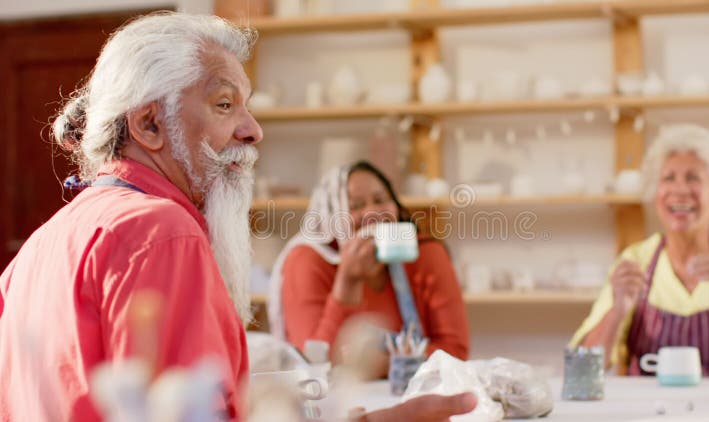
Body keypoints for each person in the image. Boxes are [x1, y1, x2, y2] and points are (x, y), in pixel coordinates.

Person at [0, 12, 476, 420]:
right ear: (148, 124)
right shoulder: (161, 232)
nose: (253, 131)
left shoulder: (37, 248)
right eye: (224, 104)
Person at [571, 124, 709, 377]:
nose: (679, 190)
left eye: (693, 178)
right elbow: (582, 369)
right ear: (655, 191)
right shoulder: (635, 261)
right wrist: (617, 311)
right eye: (668, 178)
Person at [271, 161, 470, 369]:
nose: (373, 213)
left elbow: (455, 352)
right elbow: (313, 365)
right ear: (332, 216)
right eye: (355, 205)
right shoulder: (307, 261)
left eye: (380, 200)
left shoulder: (426, 253)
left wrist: (375, 361)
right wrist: (347, 281)